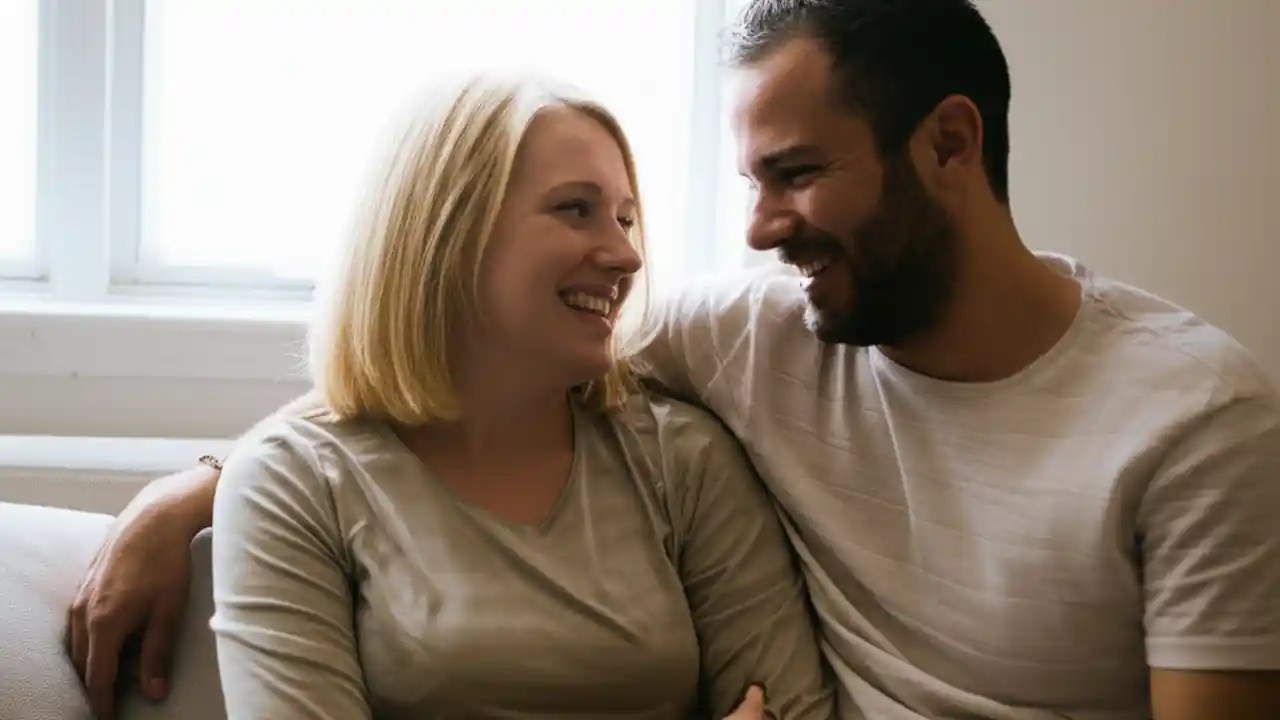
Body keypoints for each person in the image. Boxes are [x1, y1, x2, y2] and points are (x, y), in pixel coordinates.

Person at [70, 0, 1280, 718]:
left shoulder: (1188, 420)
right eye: (750, 182)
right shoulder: (757, 330)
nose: (754, 230)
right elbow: (440, 358)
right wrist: (198, 487)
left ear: (948, 144)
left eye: (796, 175)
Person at [67, 73, 836, 720]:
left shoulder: (685, 462)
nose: (625, 254)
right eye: (576, 208)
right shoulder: (296, 481)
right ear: (448, 230)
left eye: (628, 218)